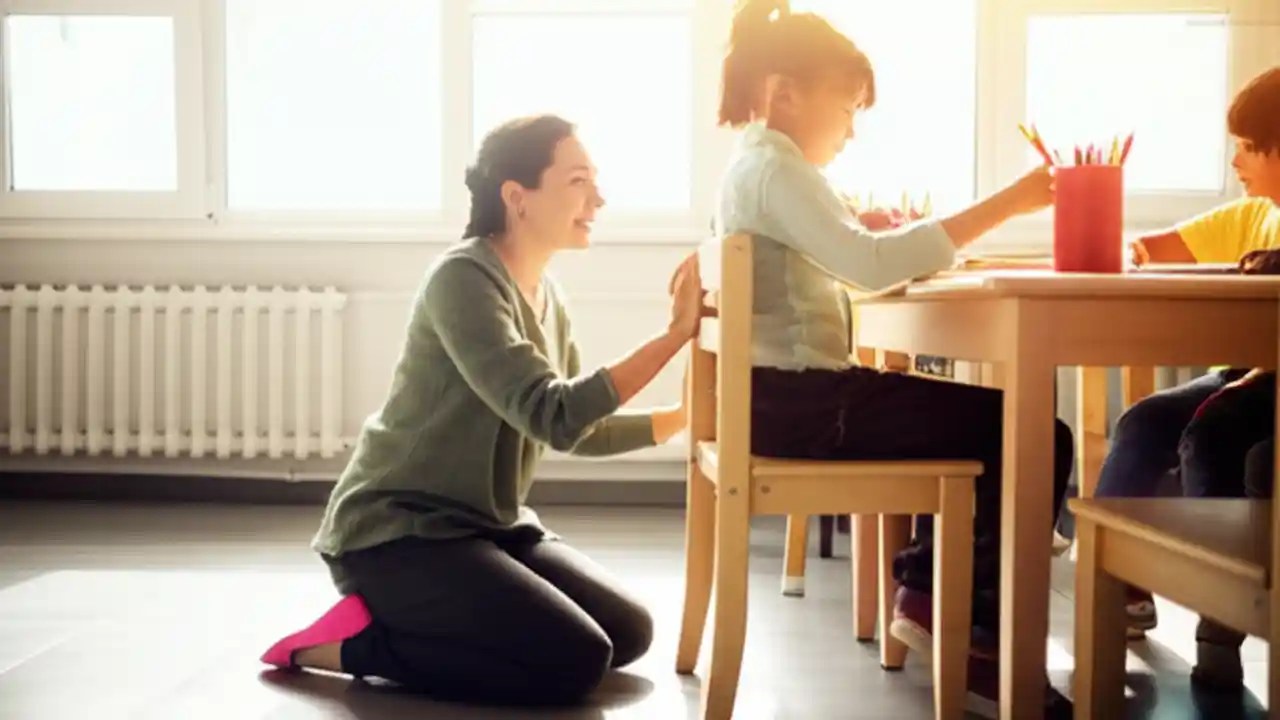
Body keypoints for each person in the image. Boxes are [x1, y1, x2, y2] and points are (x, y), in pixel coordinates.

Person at [258, 114, 703, 706]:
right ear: (517, 198)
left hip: (489, 526)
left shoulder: (548, 296)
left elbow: (574, 430)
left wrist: (684, 419)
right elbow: (553, 411)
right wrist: (674, 336)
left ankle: (442, 613)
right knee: (575, 661)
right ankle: (350, 646)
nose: (598, 197)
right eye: (577, 181)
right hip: (398, 533)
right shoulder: (462, 280)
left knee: (628, 631)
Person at [715, 2, 1073, 716]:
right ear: (786, 92)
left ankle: (929, 592)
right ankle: (967, 628)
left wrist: (866, 236)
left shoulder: (757, 165)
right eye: (846, 108)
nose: (851, 130)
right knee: (1032, 430)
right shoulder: (775, 168)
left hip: (786, 398)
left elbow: (850, 256)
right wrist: (1008, 203)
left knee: (997, 424)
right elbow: (872, 268)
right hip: (805, 404)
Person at [1094, 65, 1280, 639]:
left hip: (1259, 385)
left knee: (1211, 429)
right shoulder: (1256, 215)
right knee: (1143, 420)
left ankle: (1220, 621)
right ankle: (1115, 593)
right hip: (1246, 373)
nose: (1235, 162)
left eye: (1249, 147)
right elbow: (1151, 250)